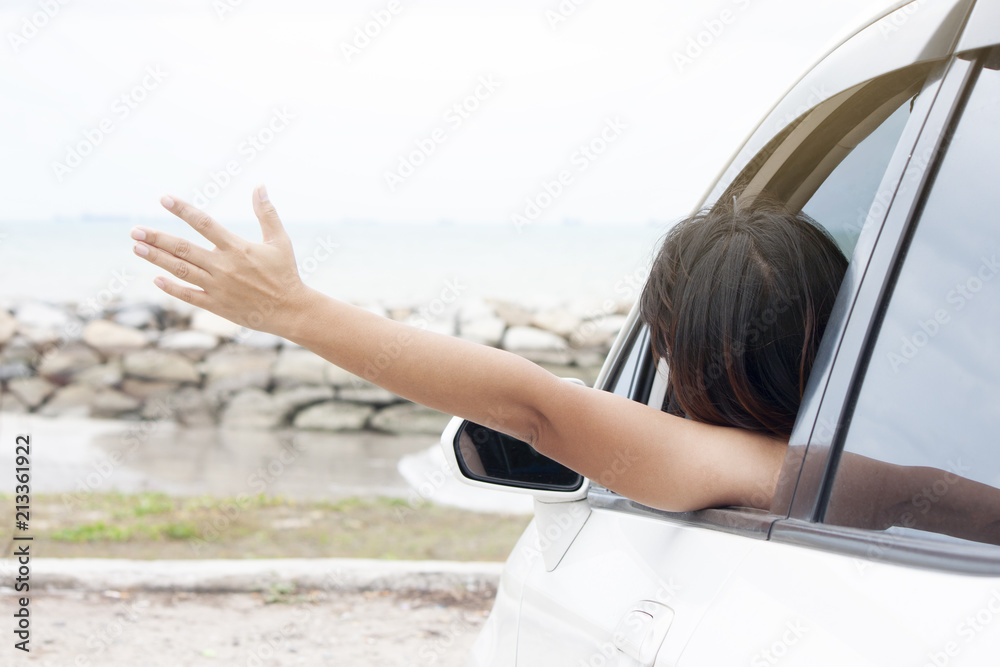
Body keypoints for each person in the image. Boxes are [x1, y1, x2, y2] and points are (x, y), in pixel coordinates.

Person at [129, 186, 1000, 545]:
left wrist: (293, 312)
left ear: (677, 350)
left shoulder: (734, 464)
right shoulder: (893, 475)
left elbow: (530, 406)